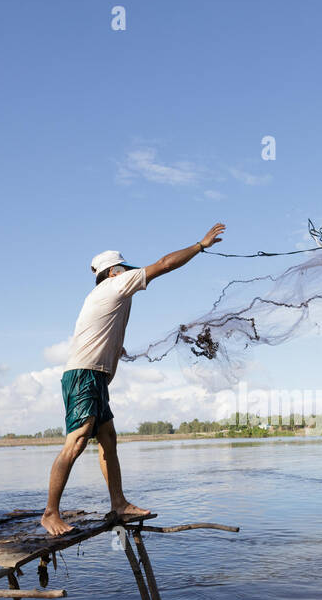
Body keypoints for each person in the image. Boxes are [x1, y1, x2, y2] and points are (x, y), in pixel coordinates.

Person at [41, 223, 225, 536]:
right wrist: (200, 245)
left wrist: (116, 347)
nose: (132, 272)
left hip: (95, 377)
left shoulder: (108, 295)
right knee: (78, 440)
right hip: (84, 375)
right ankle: (50, 514)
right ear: (113, 272)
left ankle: (119, 504)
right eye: (125, 268)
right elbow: (165, 264)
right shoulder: (114, 286)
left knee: (108, 440)